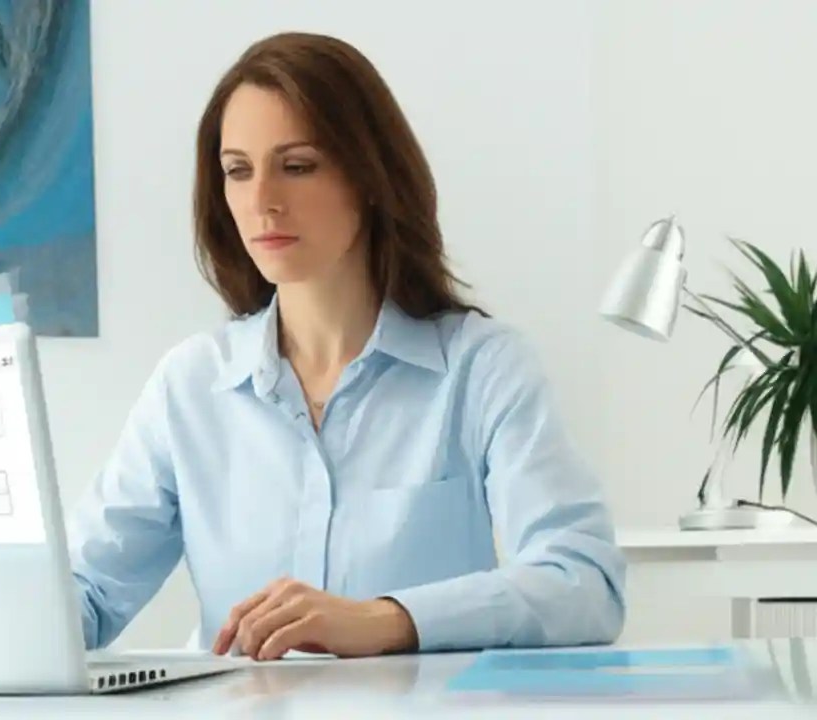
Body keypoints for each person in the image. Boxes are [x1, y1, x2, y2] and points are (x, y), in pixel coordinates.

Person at [67, 31, 625, 661]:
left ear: (369, 175)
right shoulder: (190, 385)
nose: (262, 201)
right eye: (238, 171)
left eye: (297, 166)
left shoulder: (482, 369)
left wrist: (384, 620)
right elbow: (84, 593)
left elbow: (584, 584)